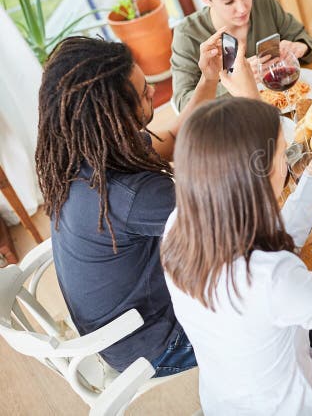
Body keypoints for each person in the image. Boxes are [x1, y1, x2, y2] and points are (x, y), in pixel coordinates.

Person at [161, 97, 312, 415]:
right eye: (283, 153)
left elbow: (274, 248)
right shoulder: (272, 279)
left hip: (225, 401)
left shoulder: (181, 224)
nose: (289, 163)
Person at [35, 31, 256, 376]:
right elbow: (237, 221)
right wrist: (252, 103)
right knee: (279, 295)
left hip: (120, 327)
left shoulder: (88, 151)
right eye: (143, 92)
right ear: (117, 115)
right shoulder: (131, 193)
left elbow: (170, 140)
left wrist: (209, 78)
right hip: (155, 344)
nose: (154, 90)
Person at [171, 0, 312, 111]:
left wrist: (300, 47)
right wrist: (237, 81)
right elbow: (184, 105)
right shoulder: (187, 35)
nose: (242, 9)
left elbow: (301, 36)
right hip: (233, 123)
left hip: (288, 107)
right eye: (229, 2)